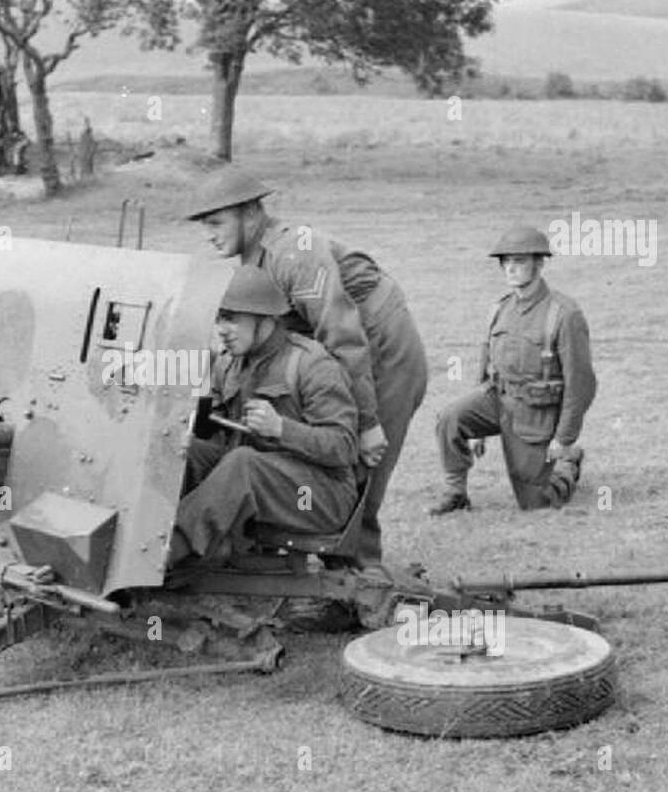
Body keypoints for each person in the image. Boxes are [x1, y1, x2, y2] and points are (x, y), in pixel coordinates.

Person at [184, 165, 427, 564]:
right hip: (348, 343)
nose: (209, 233)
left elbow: (343, 337)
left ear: (250, 213)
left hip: (383, 345)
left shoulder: (294, 254)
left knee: (362, 463)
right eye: (203, 224)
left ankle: (357, 578)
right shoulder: (255, 259)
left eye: (216, 222)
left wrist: (366, 424)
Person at [168, 267, 360, 567]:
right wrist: (196, 417)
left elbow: (344, 447)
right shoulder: (229, 363)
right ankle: (149, 534)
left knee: (242, 462)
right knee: (184, 449)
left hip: (318, 497)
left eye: (231, 318)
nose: (222, 329)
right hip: (261, 483)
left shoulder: (311, 364)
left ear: (266, 319)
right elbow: (216, 433)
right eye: (218, 317)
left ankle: (166, 553)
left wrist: (281, 429)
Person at [430, 225, 597, 513]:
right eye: (506, 262)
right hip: (498, 399)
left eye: (519, 261)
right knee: (450, 418)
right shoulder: (499, 308)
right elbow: (487, 366)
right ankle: (456, 492)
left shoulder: (564, 314)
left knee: (536, 504)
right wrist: (477, 430)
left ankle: (569, 463)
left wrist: (564, 438)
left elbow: (581, 384)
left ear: (540, 264)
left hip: (535, 415)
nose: (510, 268)